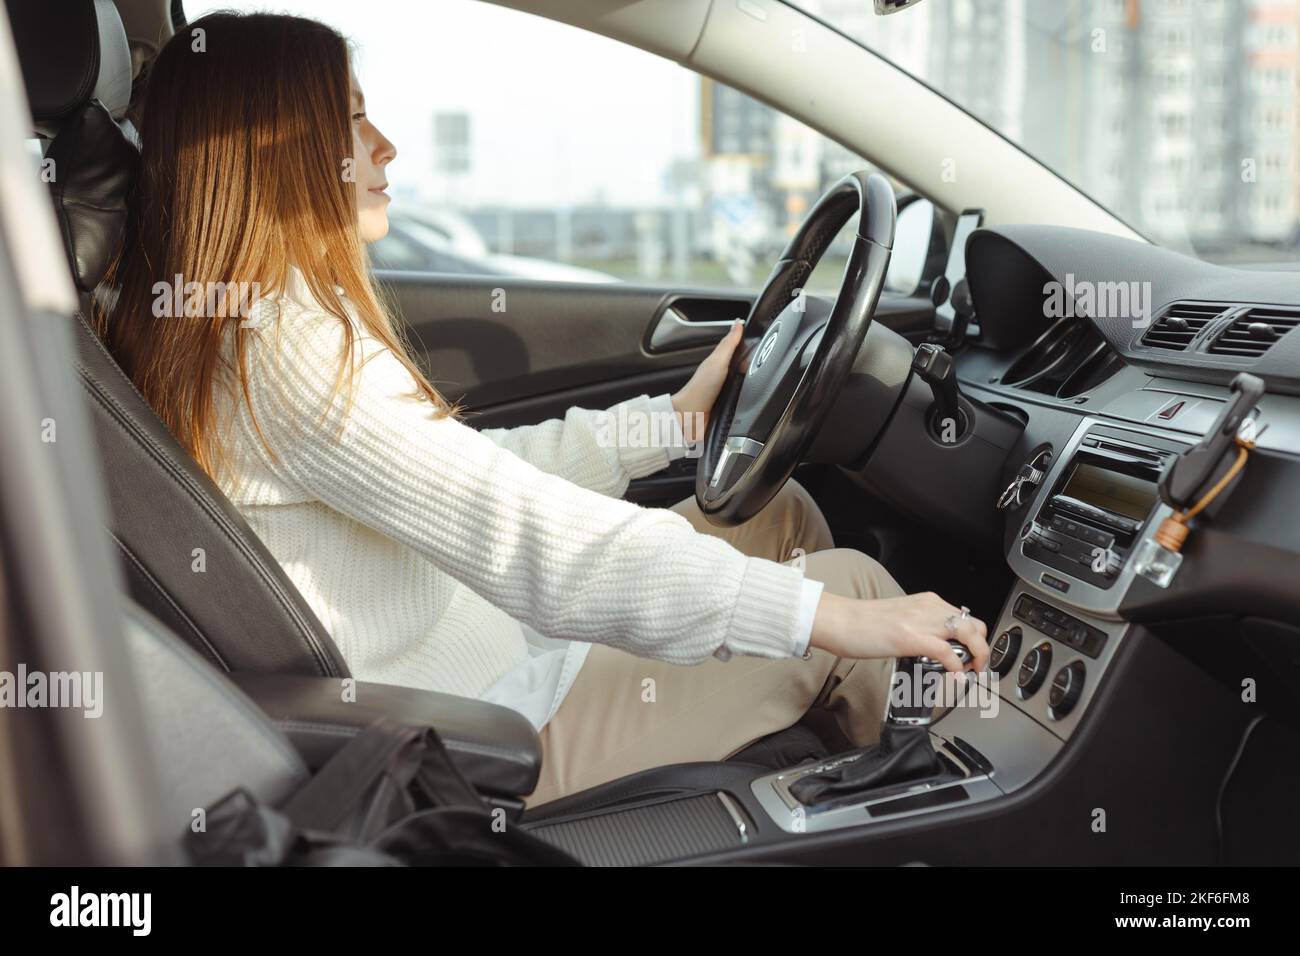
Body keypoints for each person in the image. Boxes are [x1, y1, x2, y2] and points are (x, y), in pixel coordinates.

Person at [95, 11, 988, 809]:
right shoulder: (288, 346)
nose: (385, 147)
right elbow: (526, 535)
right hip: (490, 729)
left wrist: (667, 424)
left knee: (782, 516)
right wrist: (833, 621)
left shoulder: (219, 321)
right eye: (354, 119)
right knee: (861, 594)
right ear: (274, 153)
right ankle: (956, 818)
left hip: (490, 651)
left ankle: (840, 780)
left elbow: (472, 478)